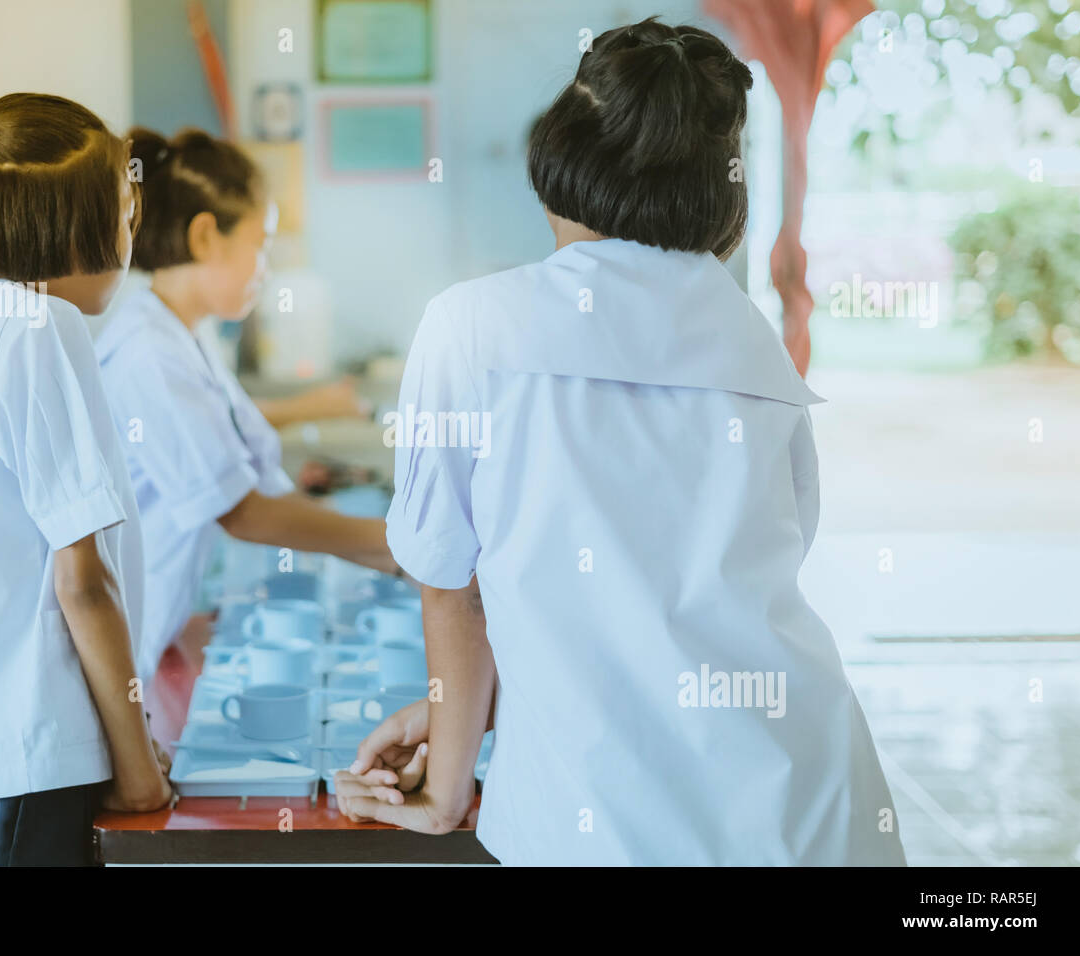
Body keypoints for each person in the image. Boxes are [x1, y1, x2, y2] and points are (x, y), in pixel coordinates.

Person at [334, 18, 907, 866]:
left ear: (555, 165)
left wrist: (445, 784)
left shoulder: (471, 326)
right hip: (806, 801)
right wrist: (484, 705)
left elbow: (452, 589)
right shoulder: (746, 336)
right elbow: (704, 609)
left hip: (598, 818)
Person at [0, 93, 171, 867]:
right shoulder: (39, 332)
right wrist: (140, 773)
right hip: (34, 759)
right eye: (124, 214)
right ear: (69, 227)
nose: (131, 233)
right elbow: (82, 584)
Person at [96, 128, 399, 701]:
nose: (266, 267)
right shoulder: (149, 351)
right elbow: (240, 512)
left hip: (153, 619)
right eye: (260, 244)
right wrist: (391, 545)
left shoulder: (183, 332)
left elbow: (228, 450)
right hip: (122, 643)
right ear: (207, 235)